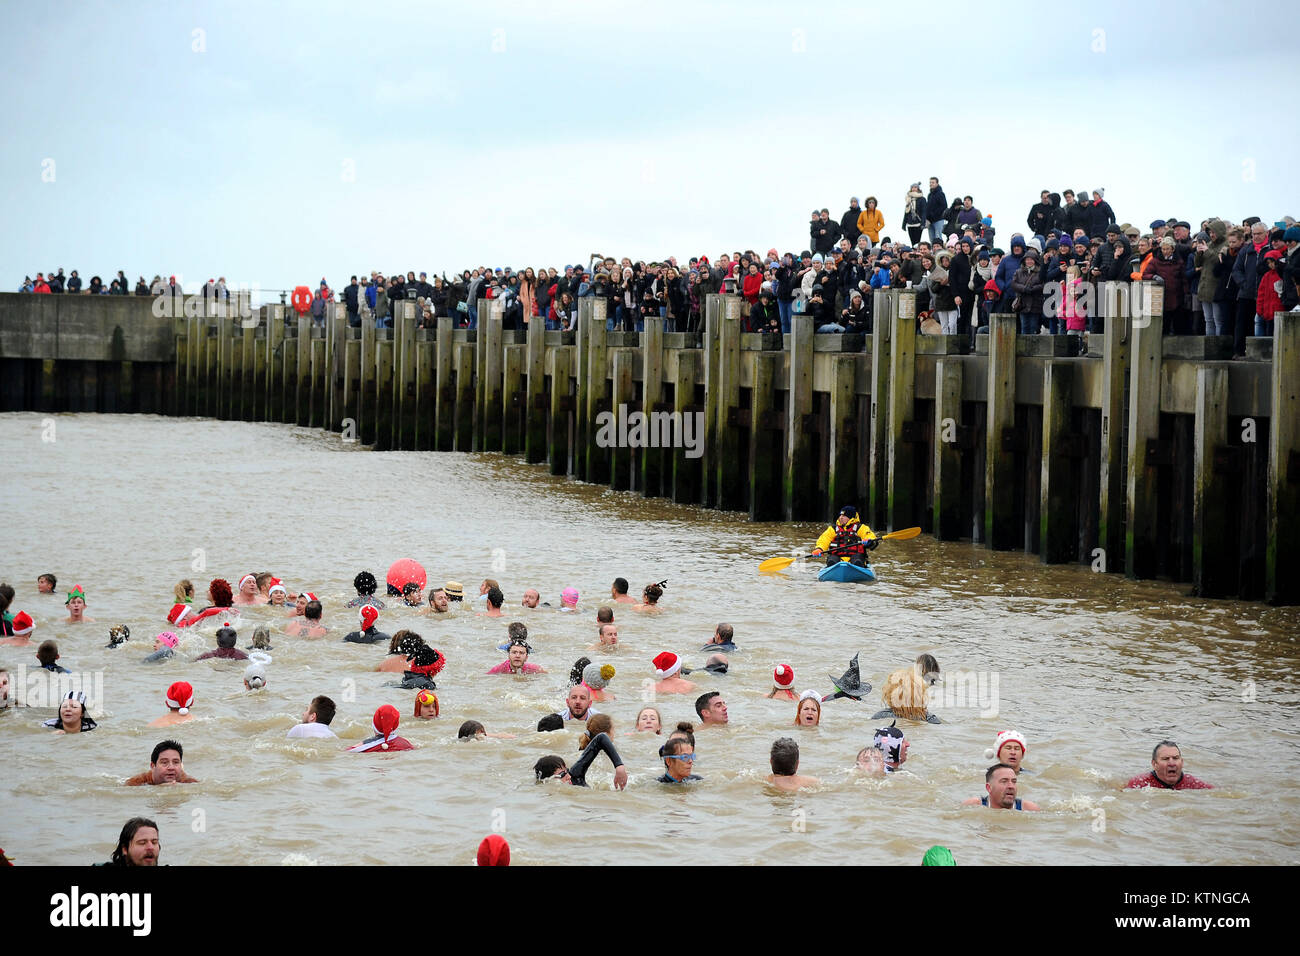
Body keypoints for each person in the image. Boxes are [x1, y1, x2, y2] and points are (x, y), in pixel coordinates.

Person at [534, 732, 629, 789]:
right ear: (548, 781)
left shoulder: (575, 776)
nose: (568, 776)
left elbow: (601, 738)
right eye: (562, 774)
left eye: (566, 770)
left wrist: (619, 766)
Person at [1125, 740, 1214, 791]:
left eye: (1175, 758)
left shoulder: (1194, 784)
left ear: (1182, 762)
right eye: (1165, 759)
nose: (1172, 763)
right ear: (1154, 764)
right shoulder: (1139, 784)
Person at [812, 506, 878, 568]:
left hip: (856, 557)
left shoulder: (860, 528)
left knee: (857, 560)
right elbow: (824, 539)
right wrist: (819, 549)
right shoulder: (832, 529)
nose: (841, 517)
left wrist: (869, 540)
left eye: (844, 516)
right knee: (831, 561)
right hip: (837, 557)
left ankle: (857, 571)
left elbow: (870, 536)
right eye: (840, 515)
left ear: (851, 518)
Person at [964, 763, 1040, 810]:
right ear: (989, 788)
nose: (1011, 786)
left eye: (1014, 782)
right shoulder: (973, 806)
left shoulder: (1030, 809)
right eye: (1004, 781)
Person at [125, 740, 198, 785]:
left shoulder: (188, 781)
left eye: (176, 762)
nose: (171, 767)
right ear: (153, 766)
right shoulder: (137, 782)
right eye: (164, 762)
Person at [347, 705, 414, 752]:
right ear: (396, 724)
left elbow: (347, 752)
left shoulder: (361, 747)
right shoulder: (407, 745)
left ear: (374, 724)